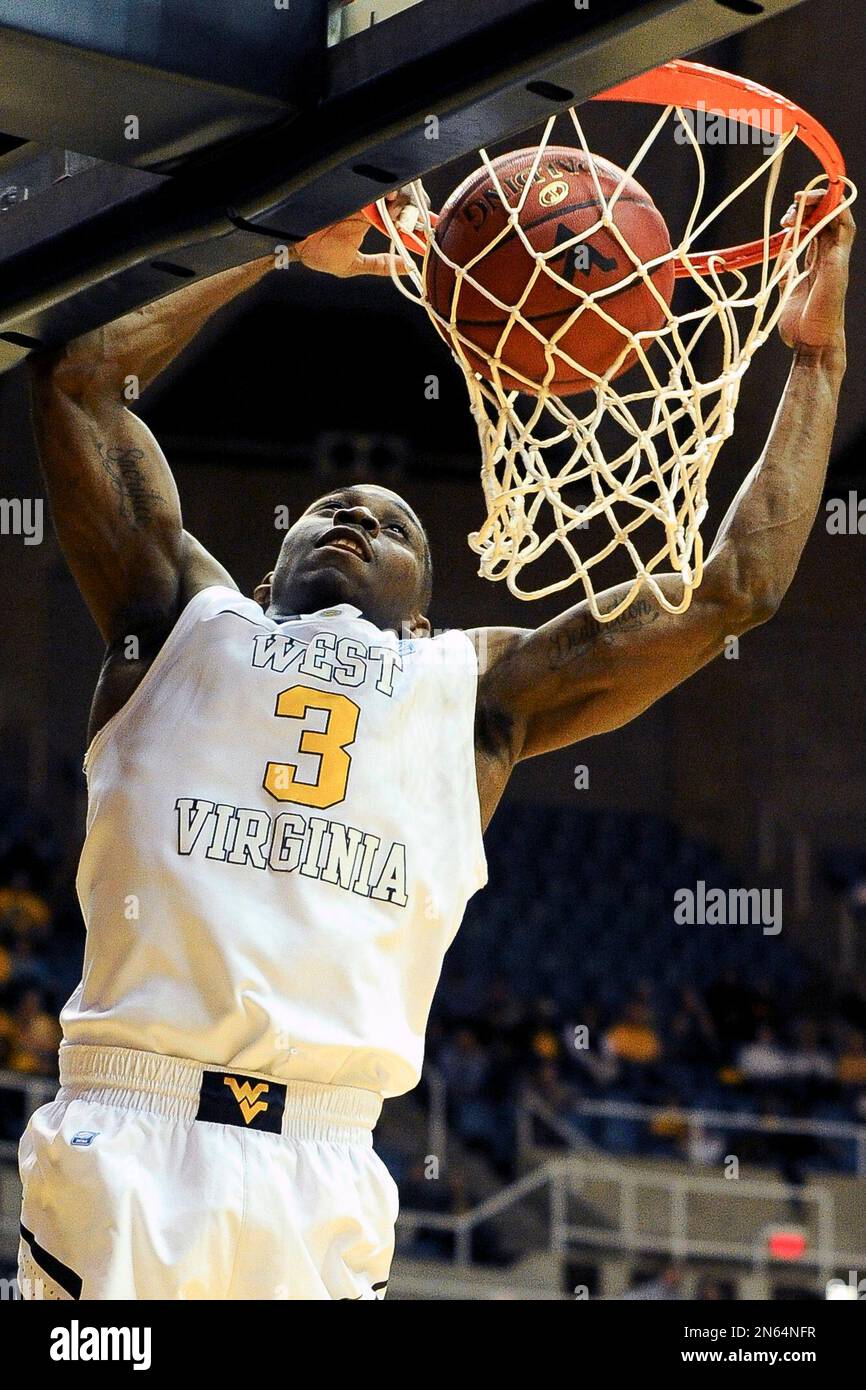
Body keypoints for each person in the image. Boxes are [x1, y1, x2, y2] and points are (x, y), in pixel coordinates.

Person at [16, 187, 854, 1299]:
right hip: (129, 1126)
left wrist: (812, 368)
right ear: (268, 574)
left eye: (396, 522)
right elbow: (76, 383)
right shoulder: (178, 615)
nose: (357, 517)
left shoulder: (469, 692)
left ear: (423, 617)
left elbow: (730, 590)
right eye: (329, 510)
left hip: (319, 1169)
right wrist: (272, 249)